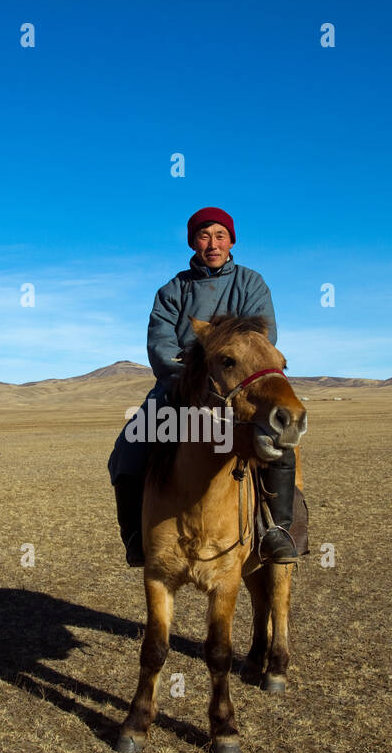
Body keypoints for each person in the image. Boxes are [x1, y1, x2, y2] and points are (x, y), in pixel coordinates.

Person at [108, 207, 299, 566]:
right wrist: (188, 373)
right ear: (193, 242)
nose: (212, 243)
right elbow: (159, 341)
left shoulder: (251, 283)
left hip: (238, 383)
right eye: (204, 236)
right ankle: (135, 534)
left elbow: (263, 337)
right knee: (130, 445)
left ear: (231, 241)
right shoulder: (173, 290)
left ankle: (277, 530)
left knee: (277, 438)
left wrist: (234, 367)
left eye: (220, 235)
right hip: (181, 383)